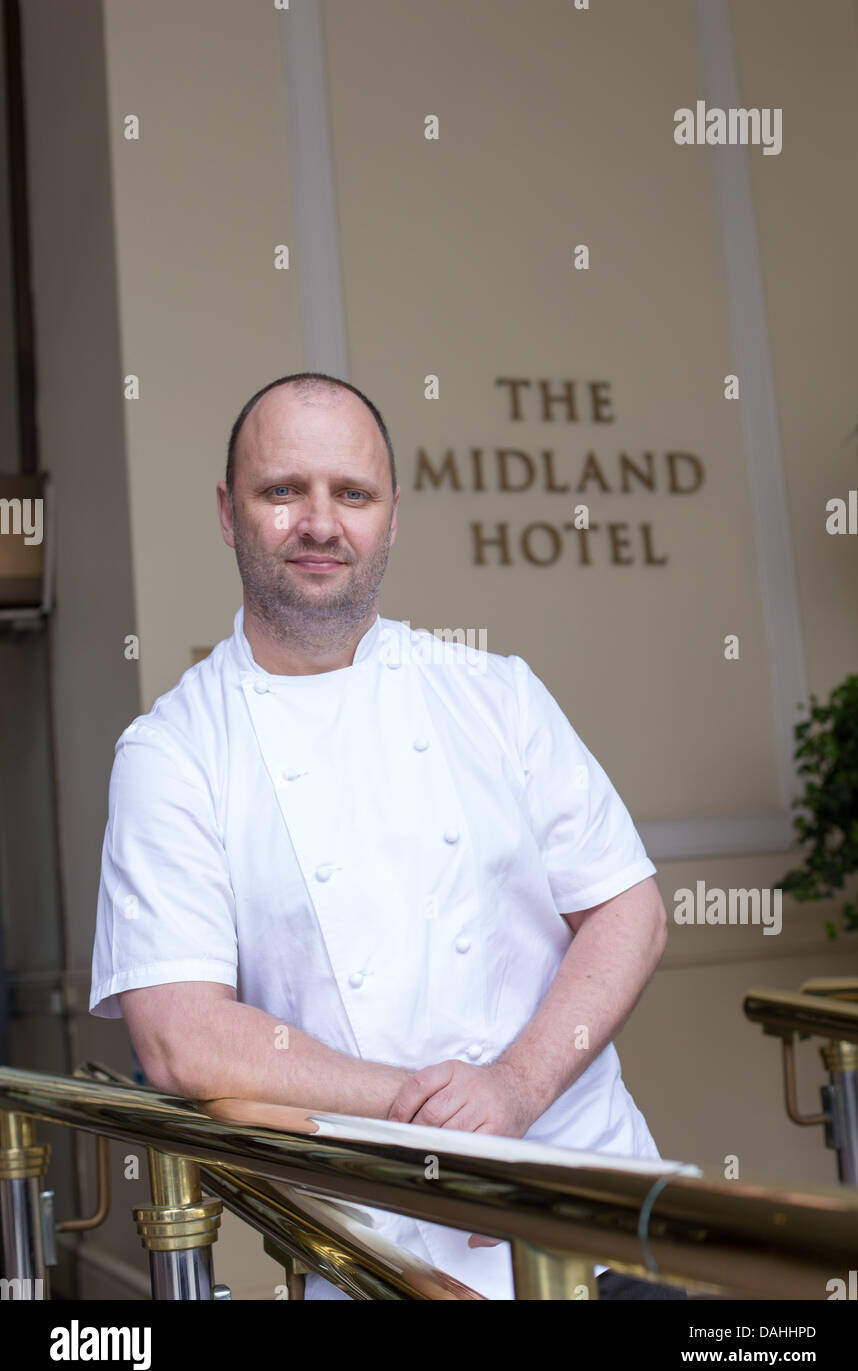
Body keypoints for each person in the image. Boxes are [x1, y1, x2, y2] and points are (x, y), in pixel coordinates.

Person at [89, 371, 687, 1301]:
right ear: (227, 510)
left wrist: (514, 1091)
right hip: (382, 1259)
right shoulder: (172, 752)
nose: (320, 523)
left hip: (595, 1212)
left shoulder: (497, 693)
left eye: (352, 494)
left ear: (392, 516)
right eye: (283, 490)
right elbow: (179, 1036)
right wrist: (431, 1115)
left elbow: (631, 911)